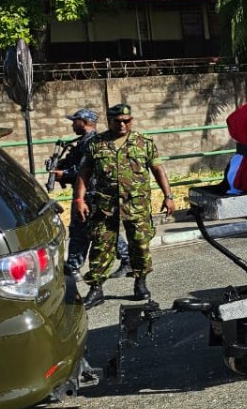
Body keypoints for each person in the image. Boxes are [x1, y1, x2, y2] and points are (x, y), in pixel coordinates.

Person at [73, 104, 175, 309]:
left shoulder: (143, 143)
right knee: (101, 246)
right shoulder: (96, 144)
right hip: (105, 204)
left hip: (136, 204)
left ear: (131, 120)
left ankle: (140, 283)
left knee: (140, 245)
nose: (122, 124)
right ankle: (96, 289)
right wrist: (79, 200)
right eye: (117, 120)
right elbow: (84, 173)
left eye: (126, 120)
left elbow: (158, 169)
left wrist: (168, 196)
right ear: (109, 121)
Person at [52, 109, 130, 281]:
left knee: (88, 229)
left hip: (90, 194)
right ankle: (74, 266)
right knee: (96, 228)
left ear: (85, 122)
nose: (73, 124)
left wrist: (63, 174)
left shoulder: (92, 142)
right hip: (87, 193)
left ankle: (73, 267)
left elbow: (84, 170)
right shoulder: (85, 141)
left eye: (75, 121)